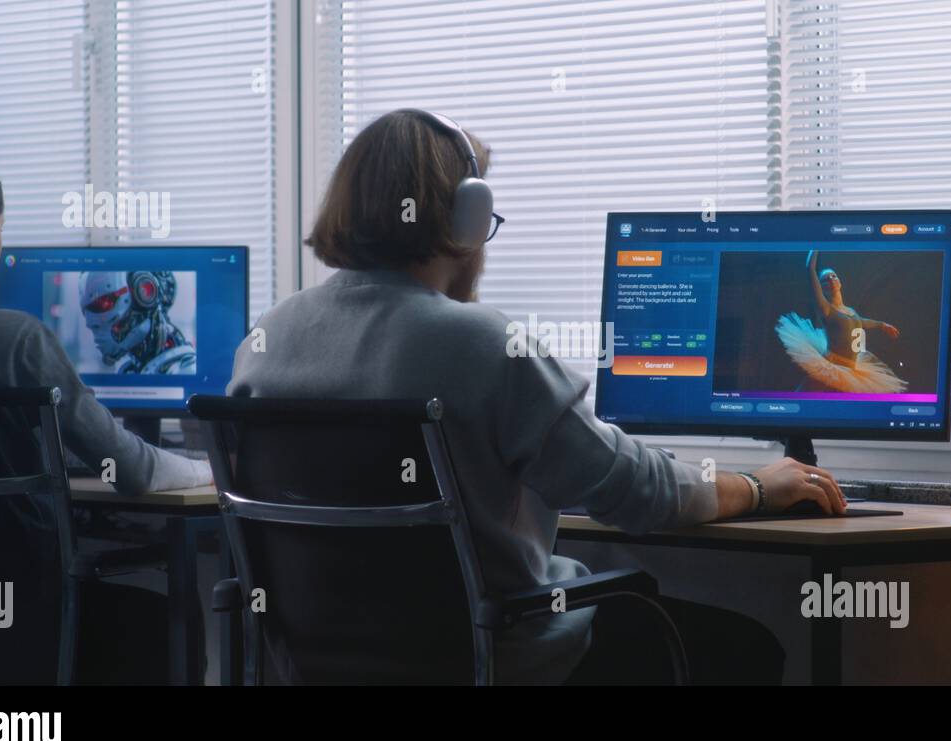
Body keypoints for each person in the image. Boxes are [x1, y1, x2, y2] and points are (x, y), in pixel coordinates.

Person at [228, 109, 849, 685]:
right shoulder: (483, 344)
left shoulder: (265, 340)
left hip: (315, 663)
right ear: (465, 222)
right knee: (744, 647)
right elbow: (635, 491)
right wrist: (761, 487)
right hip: (495, 653)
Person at [0, 150, 210, 683]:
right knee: (167, 617)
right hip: (24, 611)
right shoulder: (14, 341)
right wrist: (209, 468)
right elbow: (131, 470)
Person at [775, 249, 908, 394]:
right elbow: (810, 268)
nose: (831, 279)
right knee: (807, 398)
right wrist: (817, 244)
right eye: (826, 279)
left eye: (834, 276)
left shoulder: (850, 310)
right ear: (822, 288)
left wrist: (881, 325)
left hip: (852, 370)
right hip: (832, 368)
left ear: (840, 282)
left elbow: (861, 322)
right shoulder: (825, 308)